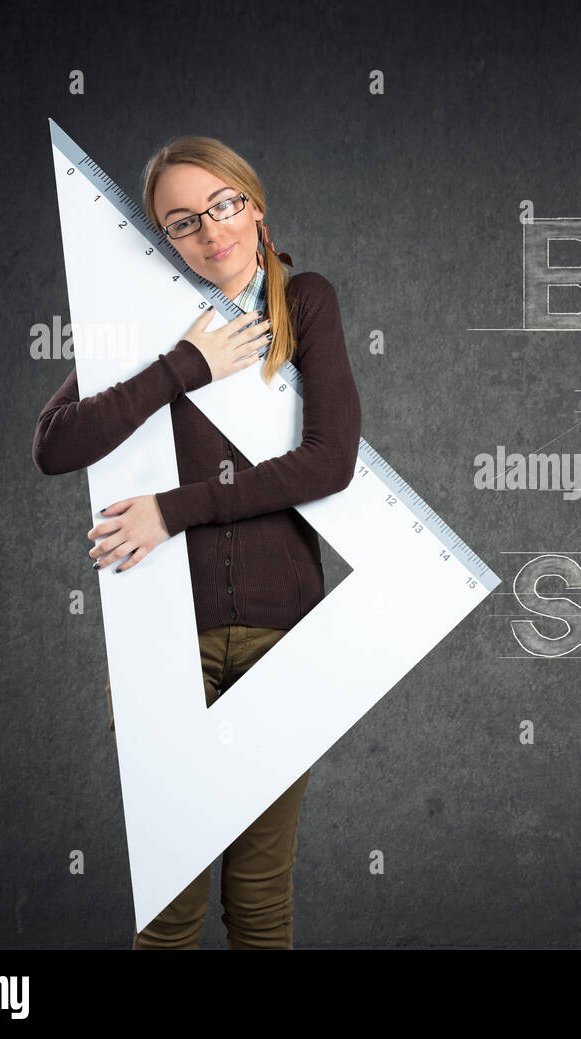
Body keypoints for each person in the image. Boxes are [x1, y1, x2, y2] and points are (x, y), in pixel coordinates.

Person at [32, 136, 362, 948]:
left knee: (257, 899)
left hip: (279, 633)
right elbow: (55, 446)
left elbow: (331, 461)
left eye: (223, 205)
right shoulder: (144, 321)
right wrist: (184, 364)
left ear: (254, 204)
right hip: (159, 636)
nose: (211, 232)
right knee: (171, 911)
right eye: (182, 222)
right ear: (163, 239)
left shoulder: (303, 301)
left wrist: (173, 510)